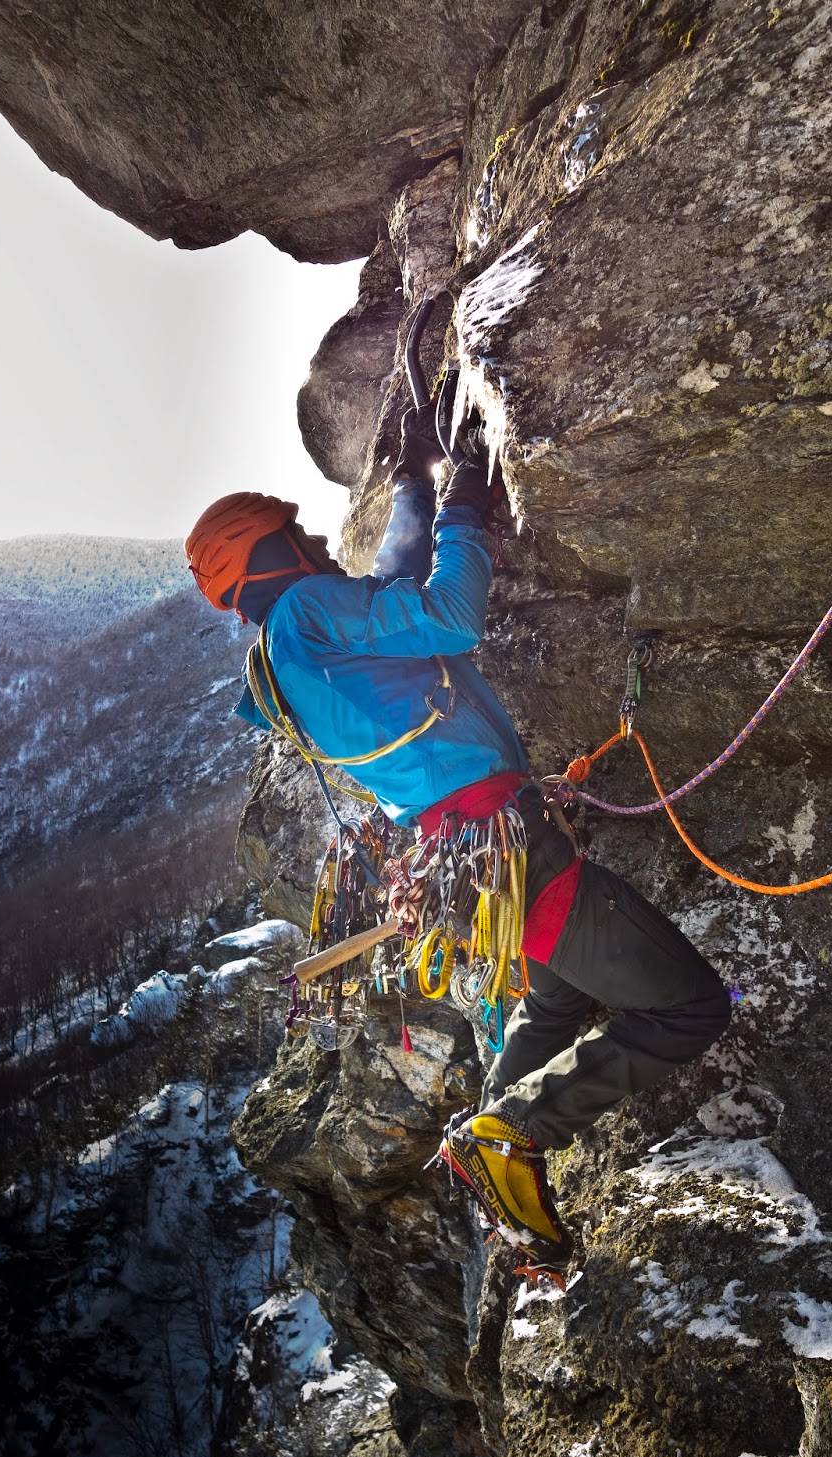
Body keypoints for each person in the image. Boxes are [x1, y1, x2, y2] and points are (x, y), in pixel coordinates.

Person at [185, 407, 731, 1264]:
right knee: (691, 1005)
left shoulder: (278, 660)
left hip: (466, 855)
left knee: (556, 999)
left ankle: (494, 1178)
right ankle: (510, 1134)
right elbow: (448, 616)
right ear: (266, 553)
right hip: (508, 842)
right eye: (298, 534)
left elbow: (388, 597)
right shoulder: (307, 610)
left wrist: (413, 484)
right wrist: (465, 509)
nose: (321, 542)